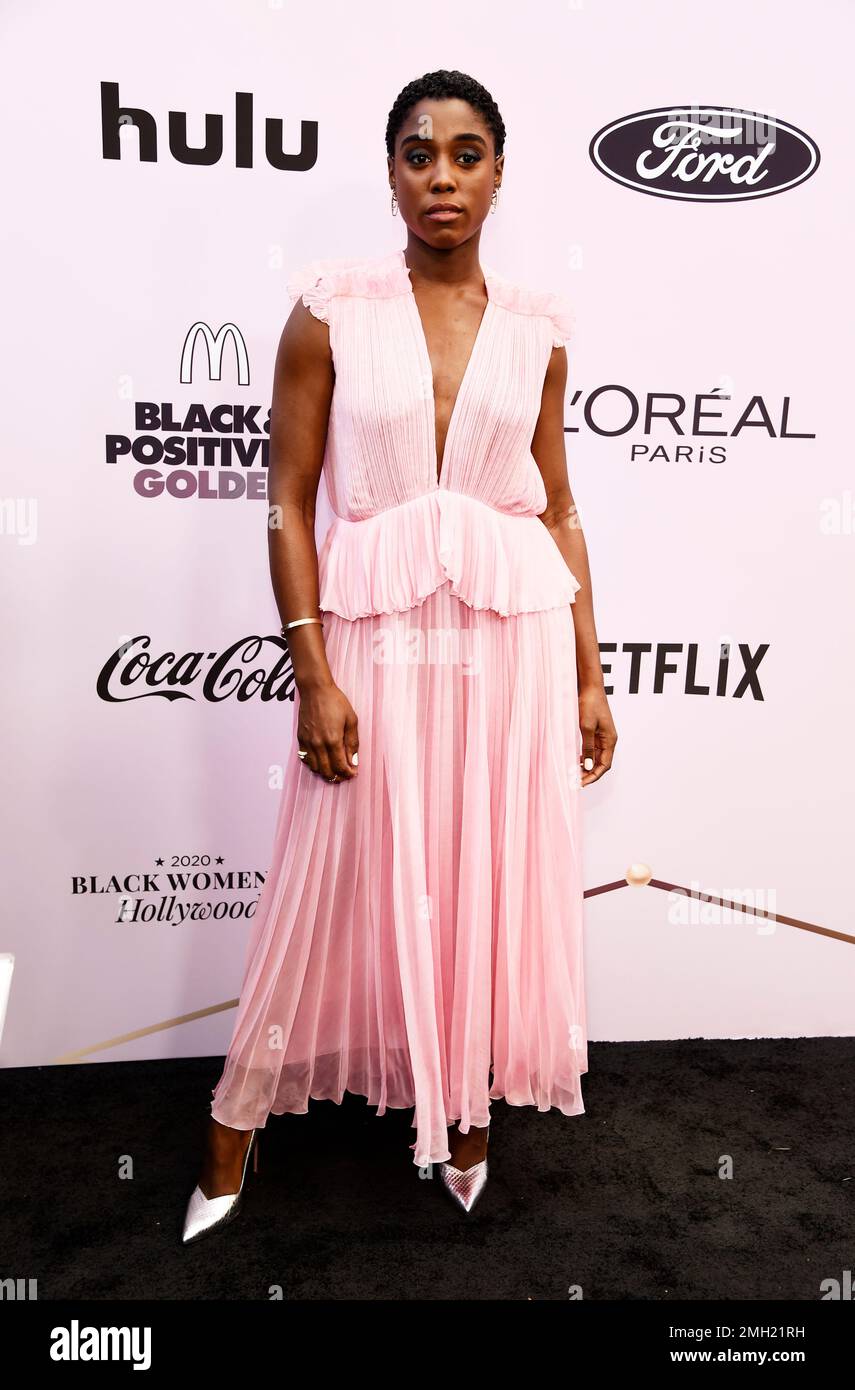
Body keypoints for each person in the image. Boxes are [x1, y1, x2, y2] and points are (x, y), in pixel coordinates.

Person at [182, 68, 617, 1244]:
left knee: (481, 868)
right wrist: (308, 667)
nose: (443, 175)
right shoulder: (329, 312)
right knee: (335, 857)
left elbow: (559, 505)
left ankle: (462, 1109)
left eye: (467, 153)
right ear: (390, 172)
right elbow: (284, 492)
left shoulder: (536, 332)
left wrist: (589, 665)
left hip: (512, 633)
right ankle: (237, 1120)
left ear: (498, 173)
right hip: (371, 633)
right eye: (421, 153)